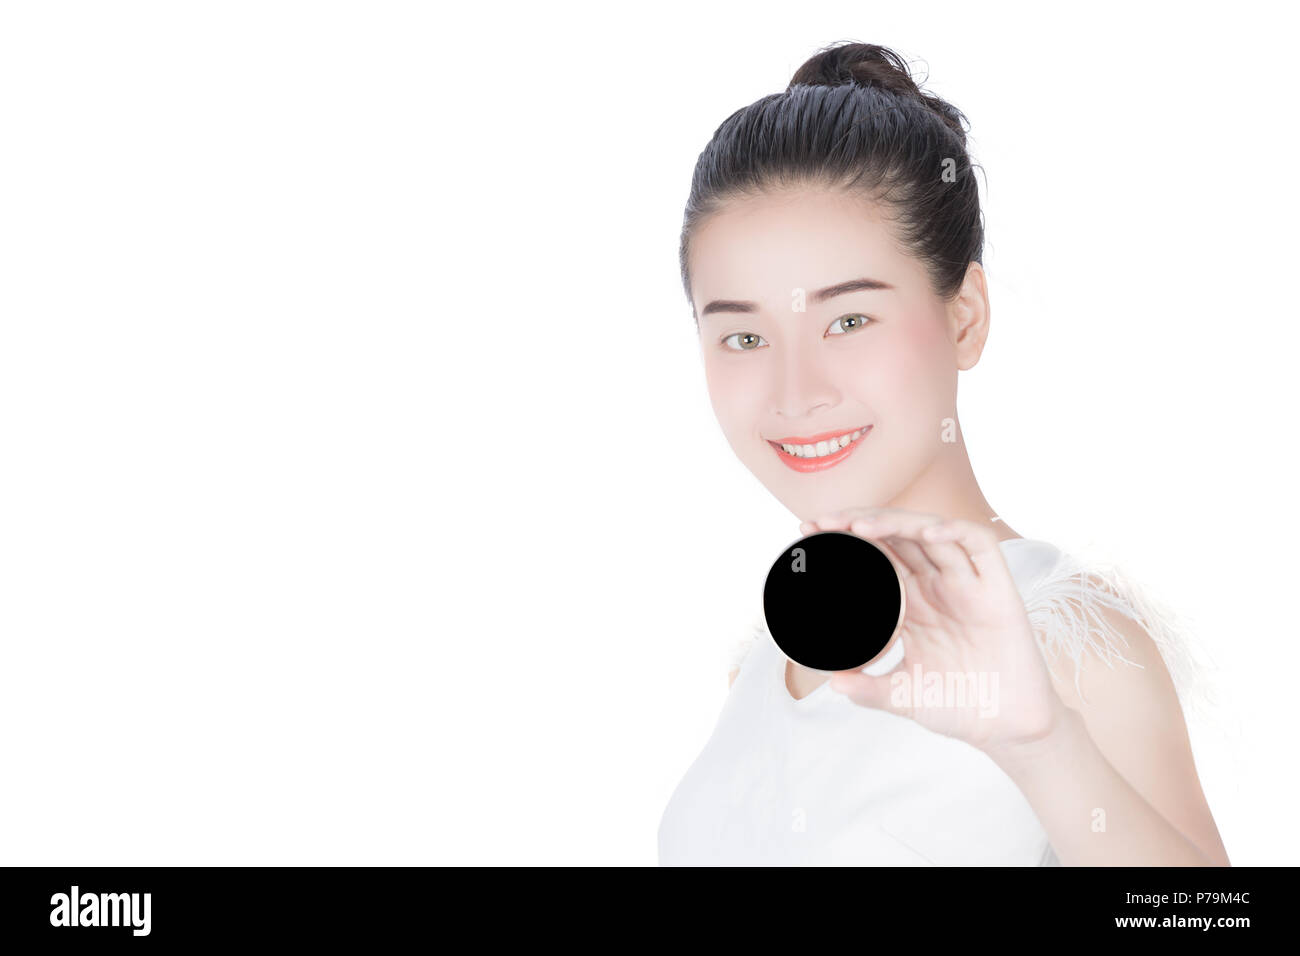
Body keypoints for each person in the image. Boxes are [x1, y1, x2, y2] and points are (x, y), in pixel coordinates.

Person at [657, 41, 1229, 866]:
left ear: (965, 316)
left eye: (848, 321)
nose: (794, 390)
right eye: (743, 336)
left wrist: (1040, 745)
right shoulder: (770, 667)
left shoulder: (1067, 641)